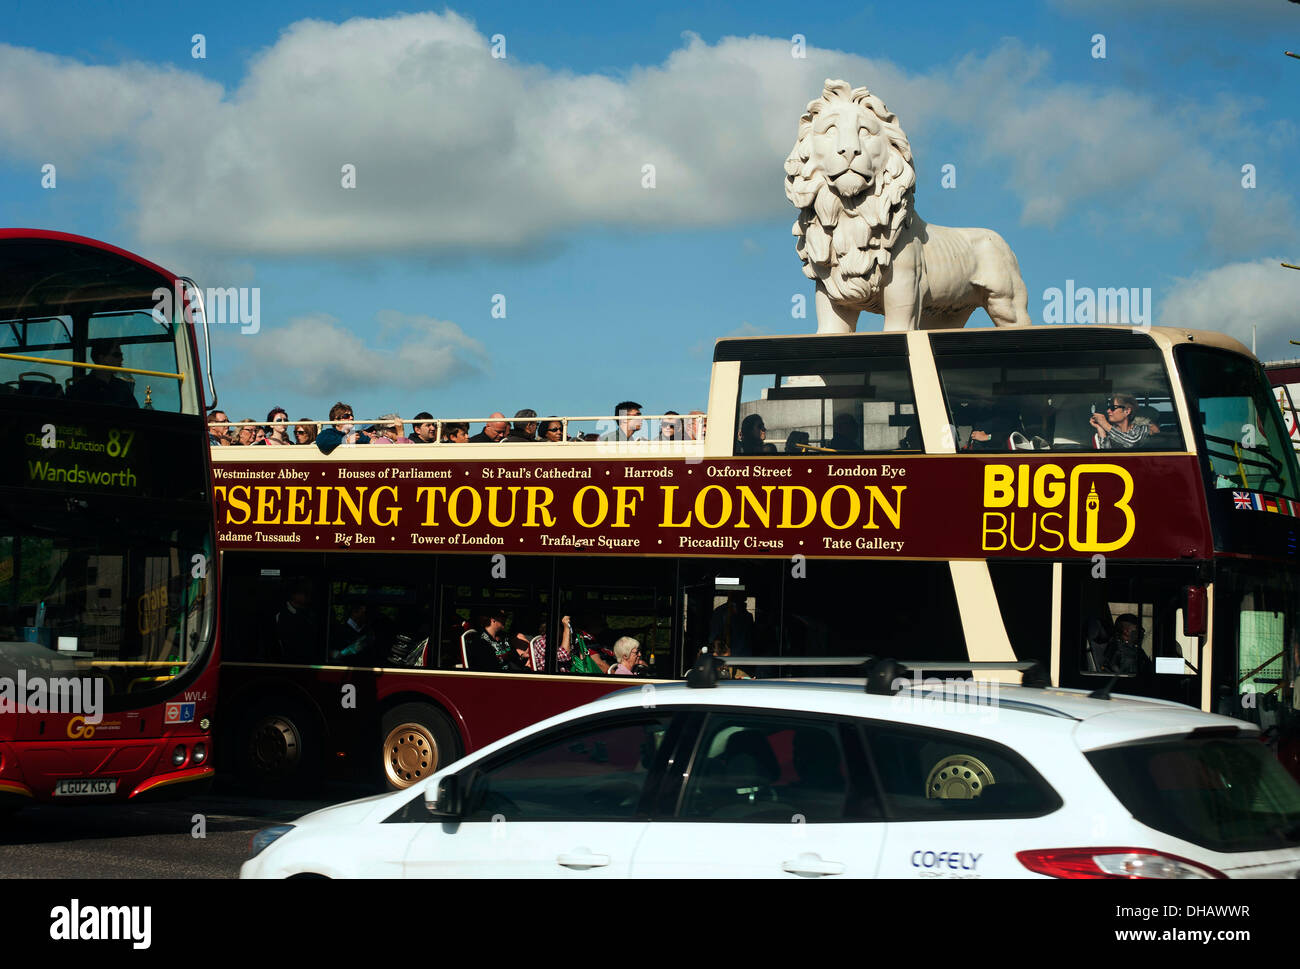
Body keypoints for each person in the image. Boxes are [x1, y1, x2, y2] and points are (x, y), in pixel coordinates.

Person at [66, 340, 138, 407]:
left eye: (121, 355)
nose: (121, 359)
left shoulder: (122, 386)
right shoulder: (80, 389)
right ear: (102, 358)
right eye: (116, 355)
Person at [460, 609, 525, 672]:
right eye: (503, 617)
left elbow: (514, 658)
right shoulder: (480, 642)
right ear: (493, 620)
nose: (506, 619)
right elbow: (489, 669)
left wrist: (523, 657)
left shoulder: (504, 637)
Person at [275, 581, 316, 663]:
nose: (306, 596)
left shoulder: (308, 613)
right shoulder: (282, 615)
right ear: (293, 595)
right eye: (302, 592)